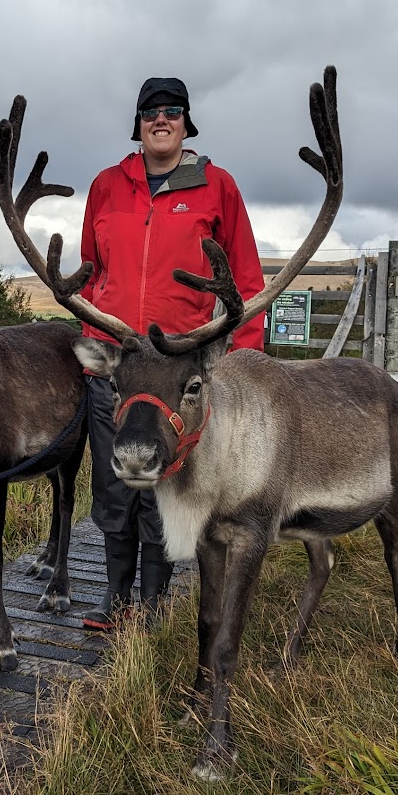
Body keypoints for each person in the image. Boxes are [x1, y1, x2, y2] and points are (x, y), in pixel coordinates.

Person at [78, 77, 265, 631]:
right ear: (137, 125)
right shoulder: (107, 186)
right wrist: (95, 319)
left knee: (167, 479)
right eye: (150, 112)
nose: (161, 119)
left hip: (179, 364)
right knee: (115, 480)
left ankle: (155, 602)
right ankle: (115, 598)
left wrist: (241, 359)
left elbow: (246, 276)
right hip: (118, 361)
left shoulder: (216, 186)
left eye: (173, 112)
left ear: (186, 123)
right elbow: (89, 268)